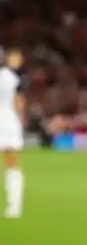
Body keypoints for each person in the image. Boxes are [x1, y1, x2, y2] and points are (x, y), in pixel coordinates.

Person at [0, 48, 25, 219]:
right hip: (9, 121)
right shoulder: (13, 78)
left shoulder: (11, 77)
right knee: (12, 163)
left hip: (7, 121)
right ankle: (14, 207)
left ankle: (14, 206)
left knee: (12, 163)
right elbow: (19, 102)